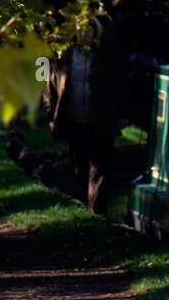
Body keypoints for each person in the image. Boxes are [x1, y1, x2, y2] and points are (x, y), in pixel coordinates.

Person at [44, 18, 121, 214]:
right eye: (81, 30)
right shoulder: (64, 57)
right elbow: (52, 87)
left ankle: (97, 210)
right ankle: (82, 204)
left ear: (96, 33)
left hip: (100, 120)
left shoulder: (107, 57)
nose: (85, 34)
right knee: (80, 164)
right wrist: (51, 114)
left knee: (100, 166)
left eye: (89, 30)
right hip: (74, 119)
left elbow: (119, 86)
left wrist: (121, 114)